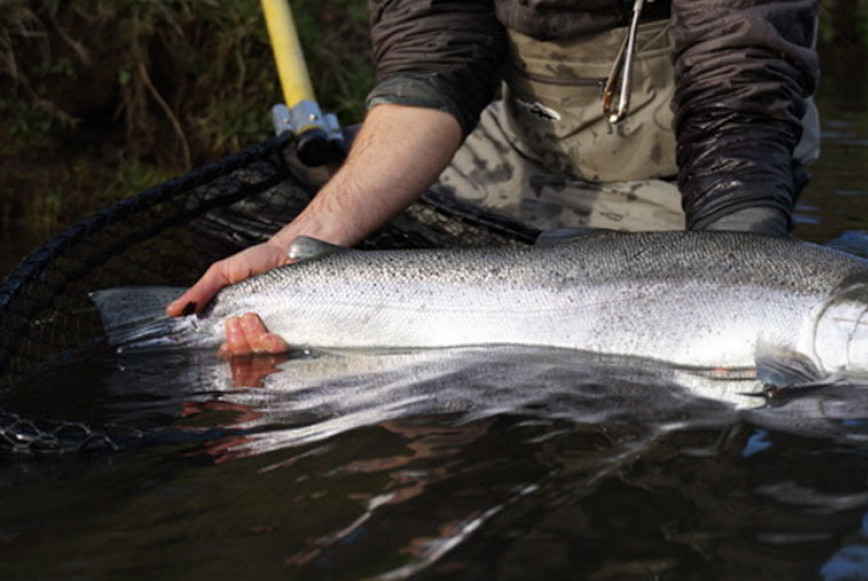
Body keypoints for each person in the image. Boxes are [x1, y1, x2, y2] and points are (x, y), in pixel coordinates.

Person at [165, 0, 821, 356]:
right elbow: (431, 73)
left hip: (703, 157)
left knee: (654, 373)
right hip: (514, 132)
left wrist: (742, 276)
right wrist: (296, 245)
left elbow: (738, 88)